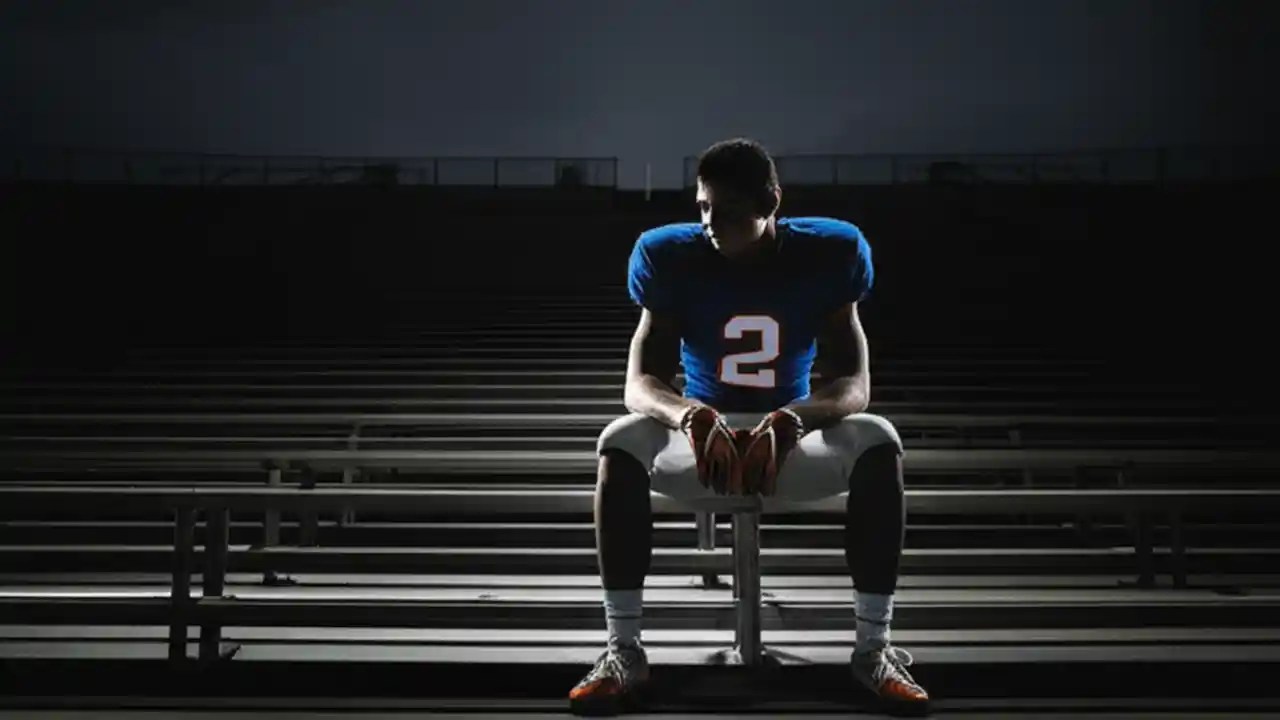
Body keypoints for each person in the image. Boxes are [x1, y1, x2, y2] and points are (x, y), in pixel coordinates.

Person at [568, 138, 930, 716]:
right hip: (703, 433)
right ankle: (624, 649)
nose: (712, 224)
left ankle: (872, 648)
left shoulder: (830, 250)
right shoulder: (667, 254)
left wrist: (792, 419)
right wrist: (691, 415)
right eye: (703, 207)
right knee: (619, 441)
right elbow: (638, 385)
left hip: (794, 430)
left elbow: (854, 385)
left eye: (729, 212)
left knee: (879, 439)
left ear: (772, 204)